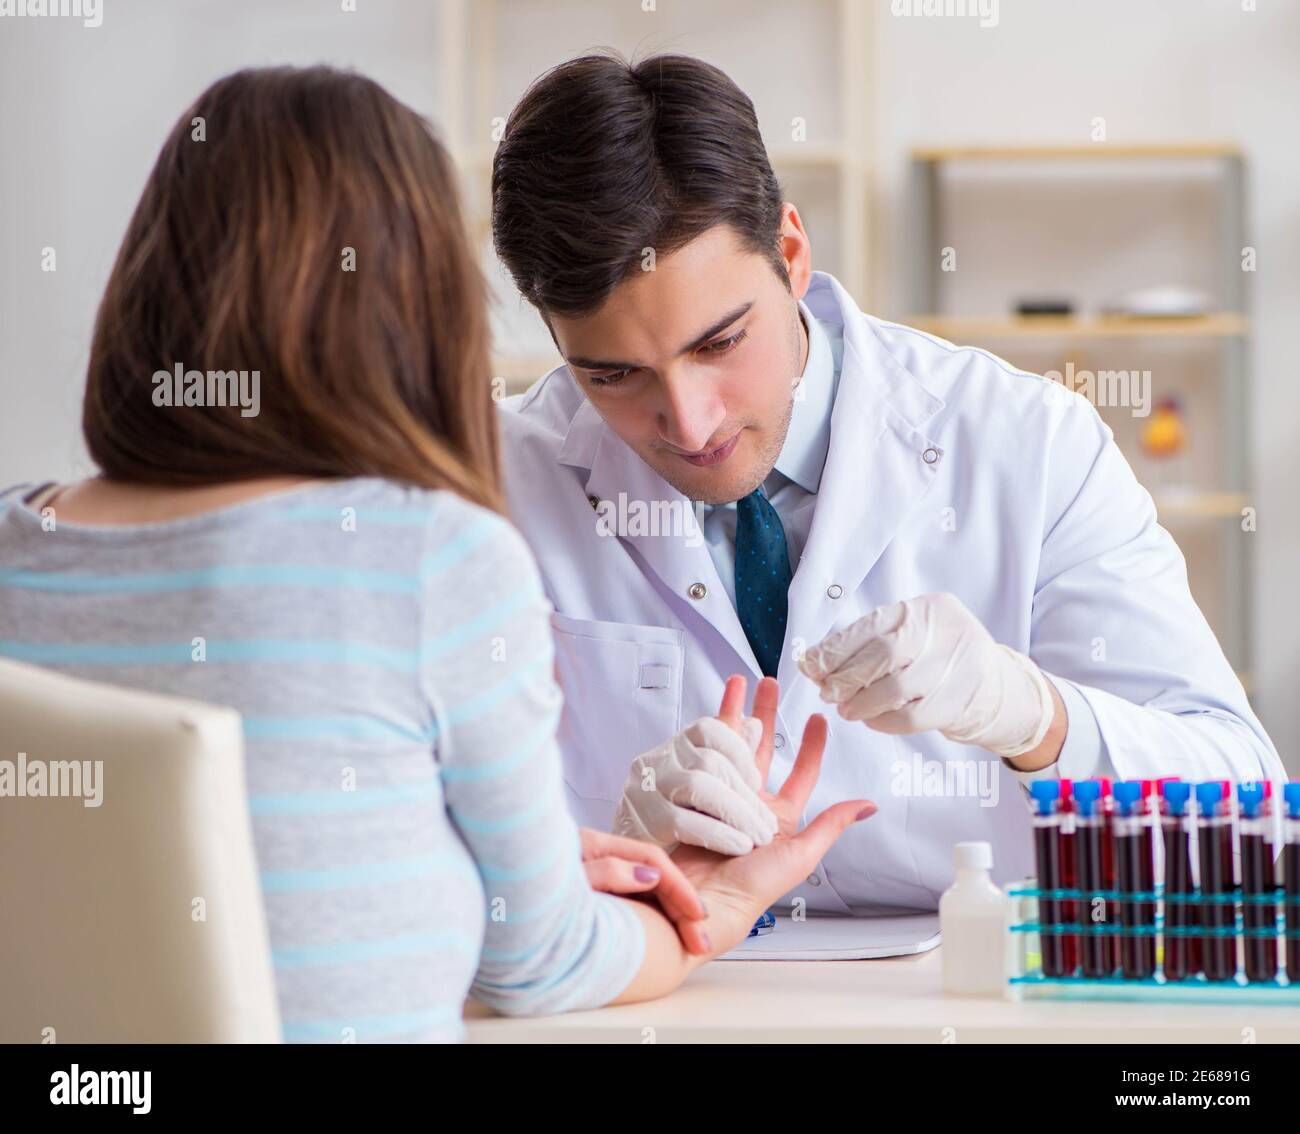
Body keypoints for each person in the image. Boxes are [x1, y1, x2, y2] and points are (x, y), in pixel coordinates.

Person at [0, 66, 874, 1043]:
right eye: (614, 370)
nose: (683, 413)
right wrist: (699, 918)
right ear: (417, 310)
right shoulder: (424, 558)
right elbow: (535, 963)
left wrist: (485, 877)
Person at [490, 52, 1283, 910]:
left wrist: (1035, 718)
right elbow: (419, 864)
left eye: (718, 344)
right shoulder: (496, 482)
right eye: (612, 377)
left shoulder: (1030, 444)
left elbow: (1247, 810)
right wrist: (602, 860)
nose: (689, 423)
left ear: (790, 253)